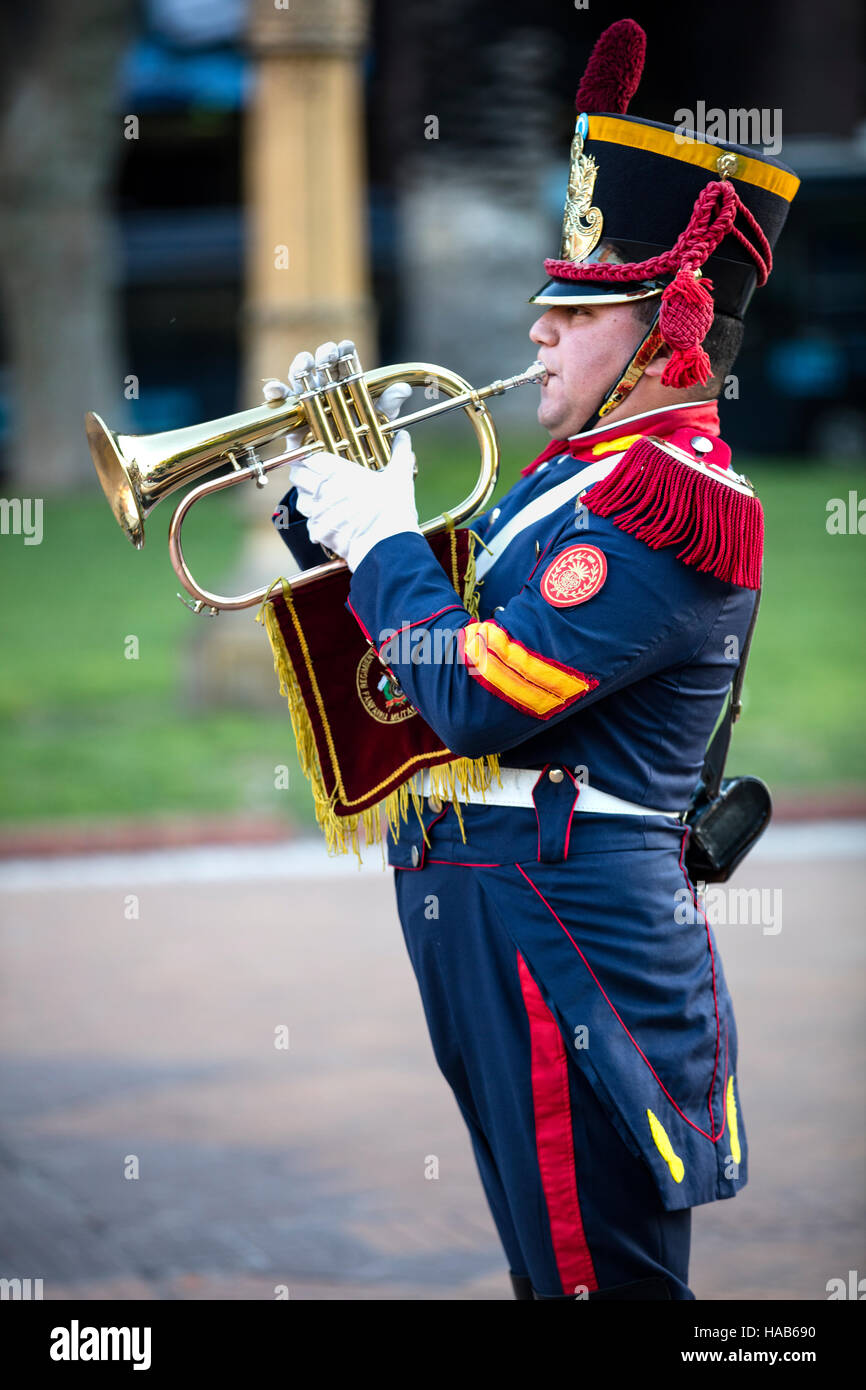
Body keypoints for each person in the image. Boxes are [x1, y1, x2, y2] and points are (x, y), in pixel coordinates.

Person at [266, 20, 799, 1300]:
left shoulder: (665, 499)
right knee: (545, 1271)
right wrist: (327, 513)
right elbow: (417, 661)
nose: (541, 331)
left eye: (576, 308)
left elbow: (478, 696)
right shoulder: (570, 489)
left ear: (666, 329)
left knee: (592, 1278)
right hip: (495, 904)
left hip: (569, 927)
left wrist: (386, 533)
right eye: (542, 308)